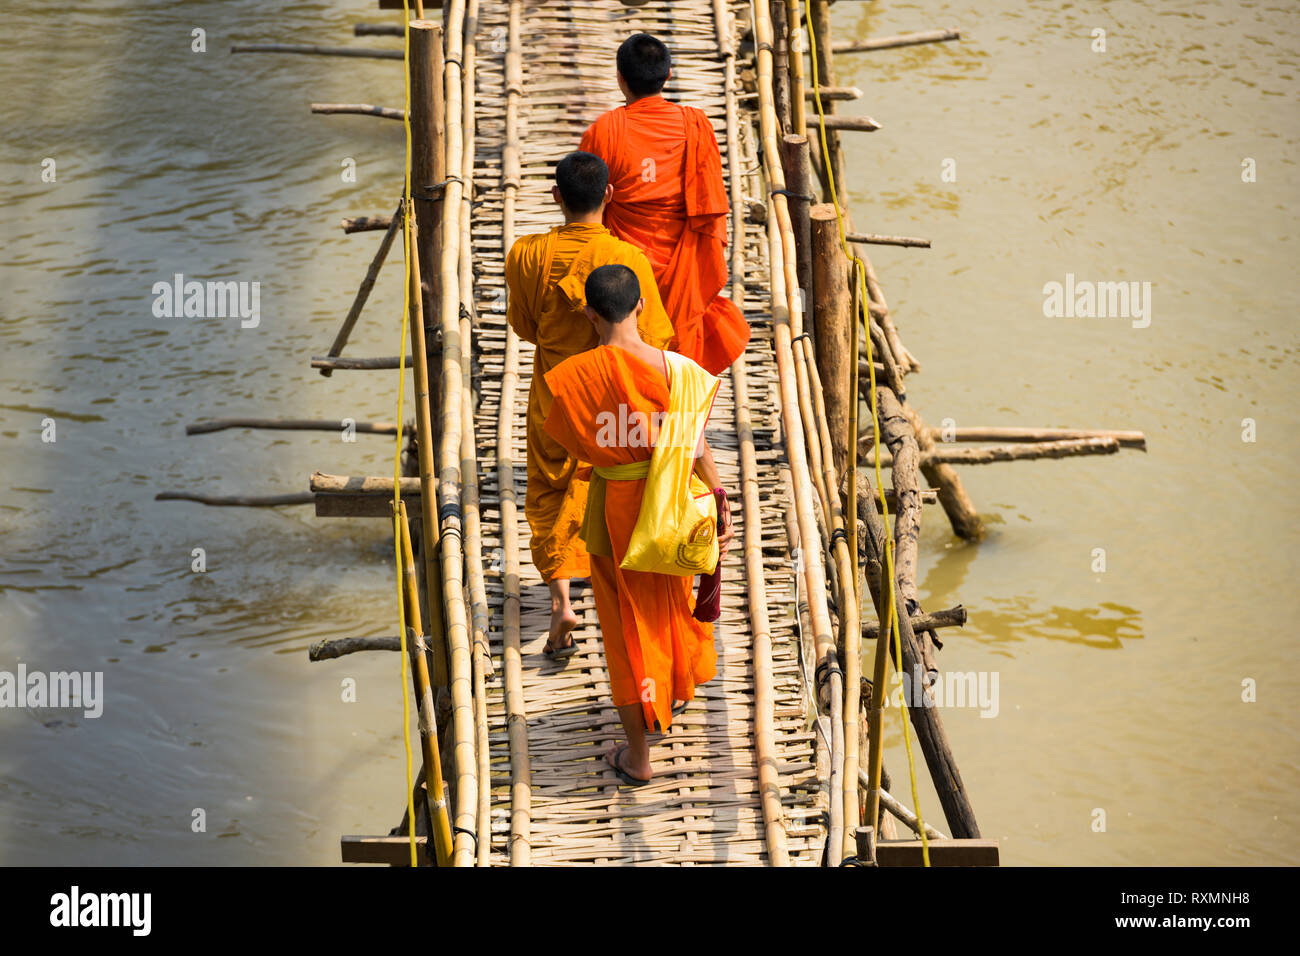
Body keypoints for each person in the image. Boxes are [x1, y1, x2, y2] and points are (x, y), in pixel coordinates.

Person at [543, 264, 734, 785]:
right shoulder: (680, 371)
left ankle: (638, 755)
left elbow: (571, 445)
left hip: (618, 512)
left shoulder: (571, 378)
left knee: (624, 622)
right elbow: (696, 448)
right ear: (642, 307)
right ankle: (672, 689)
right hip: (674, 505)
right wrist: (718, 497)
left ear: (587, 314)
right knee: (667, 600)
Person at [505, 151, 676, 656]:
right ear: (609, 195)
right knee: (605, 490)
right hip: (613, 398)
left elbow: (522, 325)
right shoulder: (630, 261)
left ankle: (561, 597)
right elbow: (656, 338)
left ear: (556, 196)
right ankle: (617, 593)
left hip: (555, 392)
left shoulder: (526, 255)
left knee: (549, 492)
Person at [579, 32, 750, 377]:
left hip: (624, 275)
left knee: (624, 366)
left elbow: (586, 206)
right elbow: (711, 205)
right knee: (680, 364)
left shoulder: (605, 130)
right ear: (668, 75)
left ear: (620, 77)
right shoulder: (696, 125)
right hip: (684, 266)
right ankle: (679, 423)